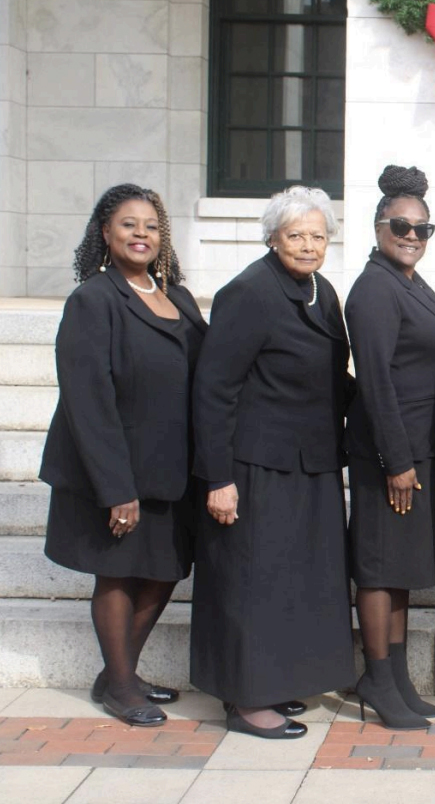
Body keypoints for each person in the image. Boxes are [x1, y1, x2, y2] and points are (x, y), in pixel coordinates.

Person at [191, 186, 355, 740]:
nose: (308, 246)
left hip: (311, 462)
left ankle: (277, 680)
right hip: (254, 464)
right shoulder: (249, 293)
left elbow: (335, 378)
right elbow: (214, 389)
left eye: (318, 236)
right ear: (272, 238)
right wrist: (218, 478)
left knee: (295, 581)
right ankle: (244, 700)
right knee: (252, 582)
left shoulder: (321, 291)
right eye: (295, 235)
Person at [40, 184, 206, 728]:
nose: (141, 234)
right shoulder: (93, 300)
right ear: (105, 234)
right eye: (129, 225)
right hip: (113, 469)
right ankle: (119, 684)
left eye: (151, 226)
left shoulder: (177, 298)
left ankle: (118, 674)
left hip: (171, 470)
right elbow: (88, 401)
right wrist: (116, 489)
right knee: (116, 575)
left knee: (163, 571)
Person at [344, 165, 435, 729]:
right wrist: (397, 462)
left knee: (401, 568)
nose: (412, 236)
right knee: (378, 568)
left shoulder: (408, 282)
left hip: (418, 451)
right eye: (400, 226)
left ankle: (398, 678)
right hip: (390, 456)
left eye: (422, 229)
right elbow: (376, 383)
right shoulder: (373, 289)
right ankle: (376, 676)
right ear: (377, 227)